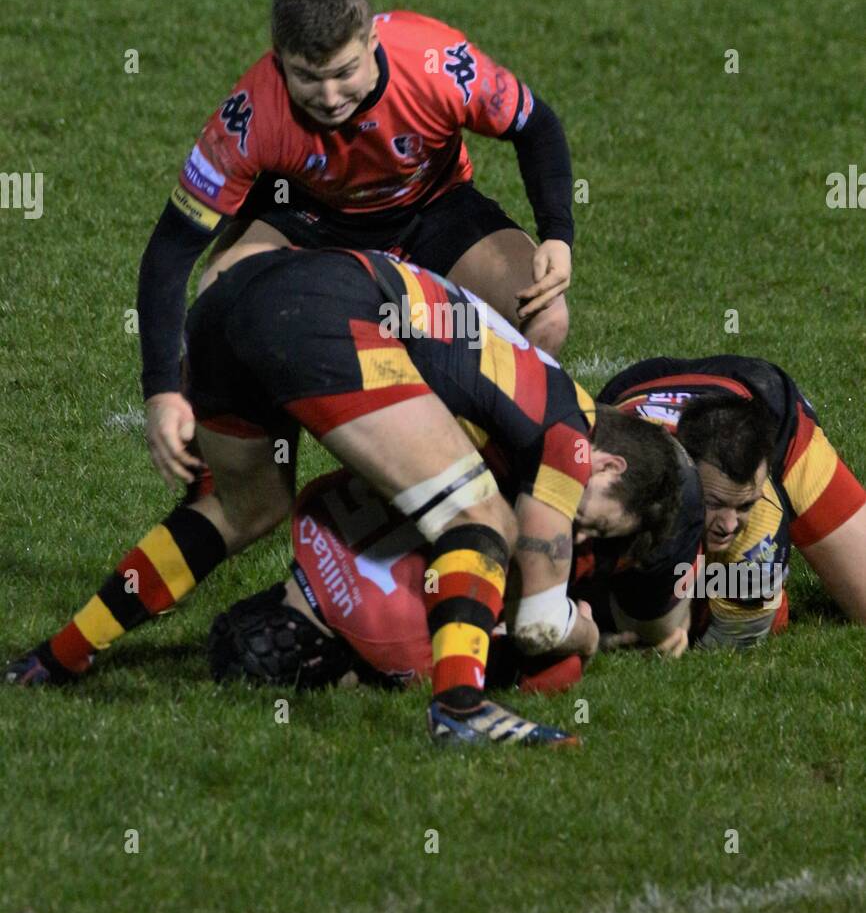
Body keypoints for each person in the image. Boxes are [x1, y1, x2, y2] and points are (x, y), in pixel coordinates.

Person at [6, 250, 681, 746]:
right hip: (327, 318)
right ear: (608, 462)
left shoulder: (530, 397)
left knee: (240, 511)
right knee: (481, 520)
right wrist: (587, 631)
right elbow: (538, 618)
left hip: (231, 301)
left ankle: (57, 656)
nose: (576, 535)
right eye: (592, 523)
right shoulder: (571, 438)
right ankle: (460, 710)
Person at [140, 0, 576, 488]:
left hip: (433, 208)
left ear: (372, 39)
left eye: (344, 72)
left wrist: (556, 234)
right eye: (308, 77)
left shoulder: (436, 63)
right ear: (279, 63)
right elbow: (170, 253)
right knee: (218, 299)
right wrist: (162, 389)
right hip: (310, 217)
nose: (329, 98)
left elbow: (536, 125)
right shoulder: (249, 114)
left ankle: (463, 467)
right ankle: (235, 480)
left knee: (544, 315)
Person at [207, 468, 590, 698]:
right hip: (536, 477)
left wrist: (585, 629)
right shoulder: (310, 506)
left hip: (565, 553)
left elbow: (553, 668)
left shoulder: (398, 650)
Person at [594, 354, 866, 649]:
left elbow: (728, 647)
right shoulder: (627, 492)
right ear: (686, 484)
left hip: (762, 396)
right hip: (637, 387)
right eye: (714, 502)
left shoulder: (761, 520)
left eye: (744, 506)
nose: (729, 525)